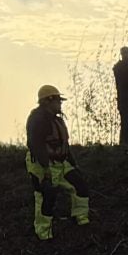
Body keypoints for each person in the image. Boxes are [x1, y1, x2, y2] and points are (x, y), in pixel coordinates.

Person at [25, 83, 90, 240]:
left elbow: (64, 145)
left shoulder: (56, 120)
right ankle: (44, 233)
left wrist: (74, 164)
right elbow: (36, 145)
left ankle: (80, 218)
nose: (60, 104)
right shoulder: (38, 120)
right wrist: (45, 169)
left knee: (79, 185)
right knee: (46, 196)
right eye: (58, 101)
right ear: (48, 101)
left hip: (60, 163)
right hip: (42, 164)